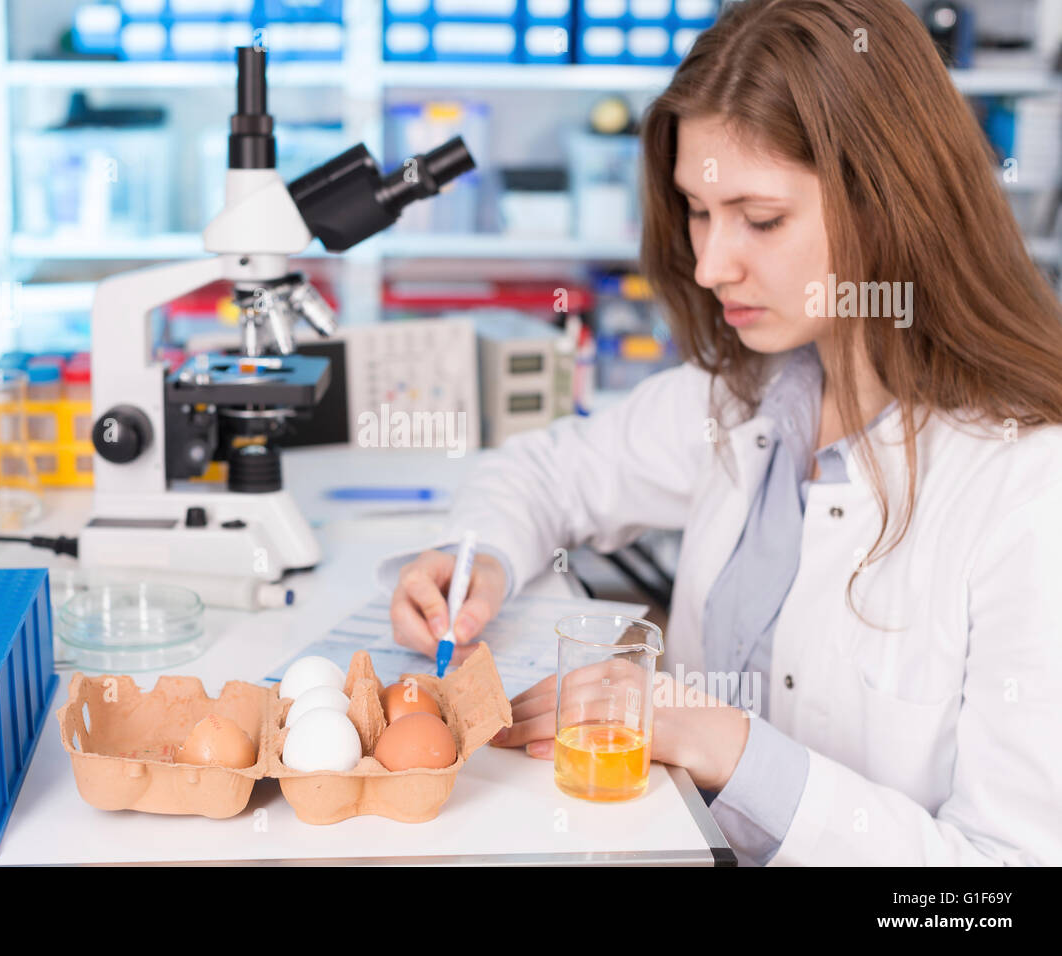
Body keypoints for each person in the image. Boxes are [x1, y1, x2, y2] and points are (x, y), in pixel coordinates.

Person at [385, 0, 1062, 865]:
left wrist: (732, 748)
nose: (709, 265)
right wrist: (475, 559)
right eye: (698, 211)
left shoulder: (1027, 487)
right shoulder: (746, 397)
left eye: (760, 217)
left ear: (889, 201)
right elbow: (546, 473)